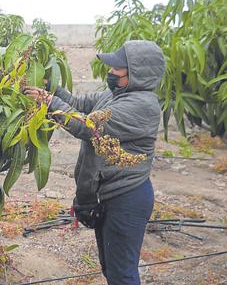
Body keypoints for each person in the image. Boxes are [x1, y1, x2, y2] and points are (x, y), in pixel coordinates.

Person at [24, 40, 166, 284]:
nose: (110, 72)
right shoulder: (115, 94)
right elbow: (79, 105)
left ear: (136, 75)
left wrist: (48, 102)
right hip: (108, 193)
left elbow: (88, 126)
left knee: (122, 274)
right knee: (110, 269)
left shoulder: (142, 106)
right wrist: (53, 89)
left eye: (117, 69)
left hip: (127, 198)